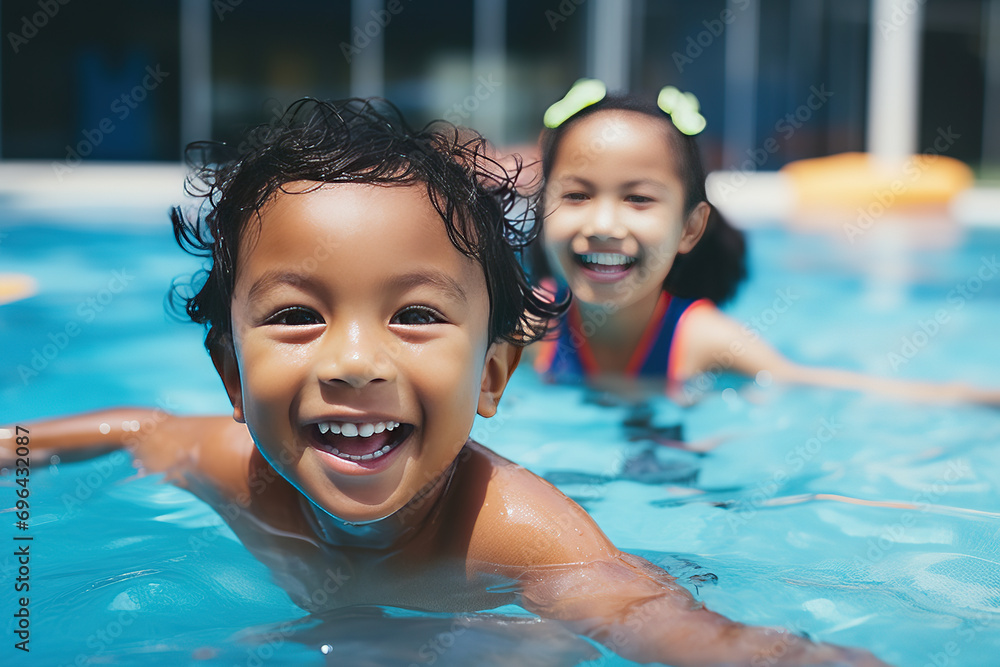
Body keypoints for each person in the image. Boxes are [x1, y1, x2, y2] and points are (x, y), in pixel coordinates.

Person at [1, 98, 889, 666]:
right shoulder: (237, 469)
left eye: (416, 315)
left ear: (494, 374)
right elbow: (137, 430)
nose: (354, 360)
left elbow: (686, 635)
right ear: (231, 374)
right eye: (295, 315)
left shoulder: (519, 534)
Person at [529, 79, 1000, 406]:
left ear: (690, 229)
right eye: (577, 195)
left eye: (638, 198)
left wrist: (966, 397)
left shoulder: (702, 339)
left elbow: (819, 385)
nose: (604, 223)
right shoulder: (530, 325)